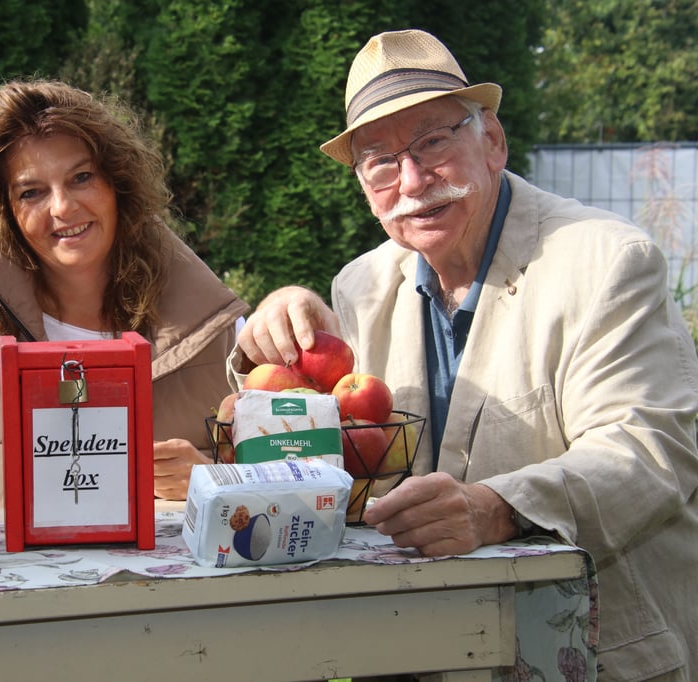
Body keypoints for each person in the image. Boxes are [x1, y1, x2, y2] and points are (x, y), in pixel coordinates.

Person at [229, 30, 698, 681]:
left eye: (433, 142)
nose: (413, 181)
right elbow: (348, 445)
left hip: (591, 658)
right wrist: (272, 339)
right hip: (425, 653)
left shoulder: (604, 261)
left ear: (493, 142)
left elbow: (647, 451)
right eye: (380, 161)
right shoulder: (362, 285)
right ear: (364, 183)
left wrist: (495, 508)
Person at [0, 78, 248, 508]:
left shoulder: (210, 318)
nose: (62, 207)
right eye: (31, 192)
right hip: (15, 575)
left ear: (117, 183)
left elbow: (280, 472)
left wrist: (214, 477)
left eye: (81, 177)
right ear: (3, 212)